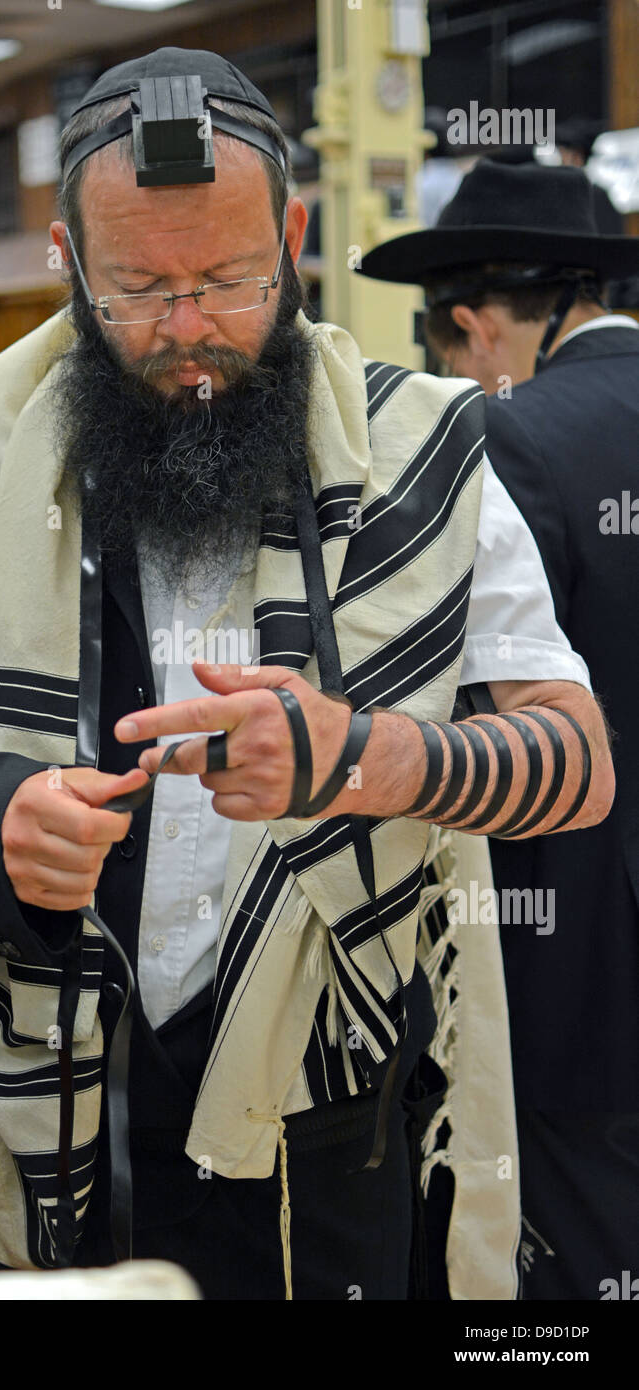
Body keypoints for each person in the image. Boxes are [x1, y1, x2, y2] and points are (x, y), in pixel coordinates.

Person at [0, 53, 613, 1302]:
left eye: (230, 279)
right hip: (49, 1120)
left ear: (291, 239)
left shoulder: (425, 452)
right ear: (68, 263)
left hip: (327, 1134)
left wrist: (366, 758)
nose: (188, 331)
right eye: (137, 289)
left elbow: (575, 762)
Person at [360, 156, 639, 1299]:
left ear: (475, 328)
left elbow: (478, 708)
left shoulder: (502, 435)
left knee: (576, 1253)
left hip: (575, 954)